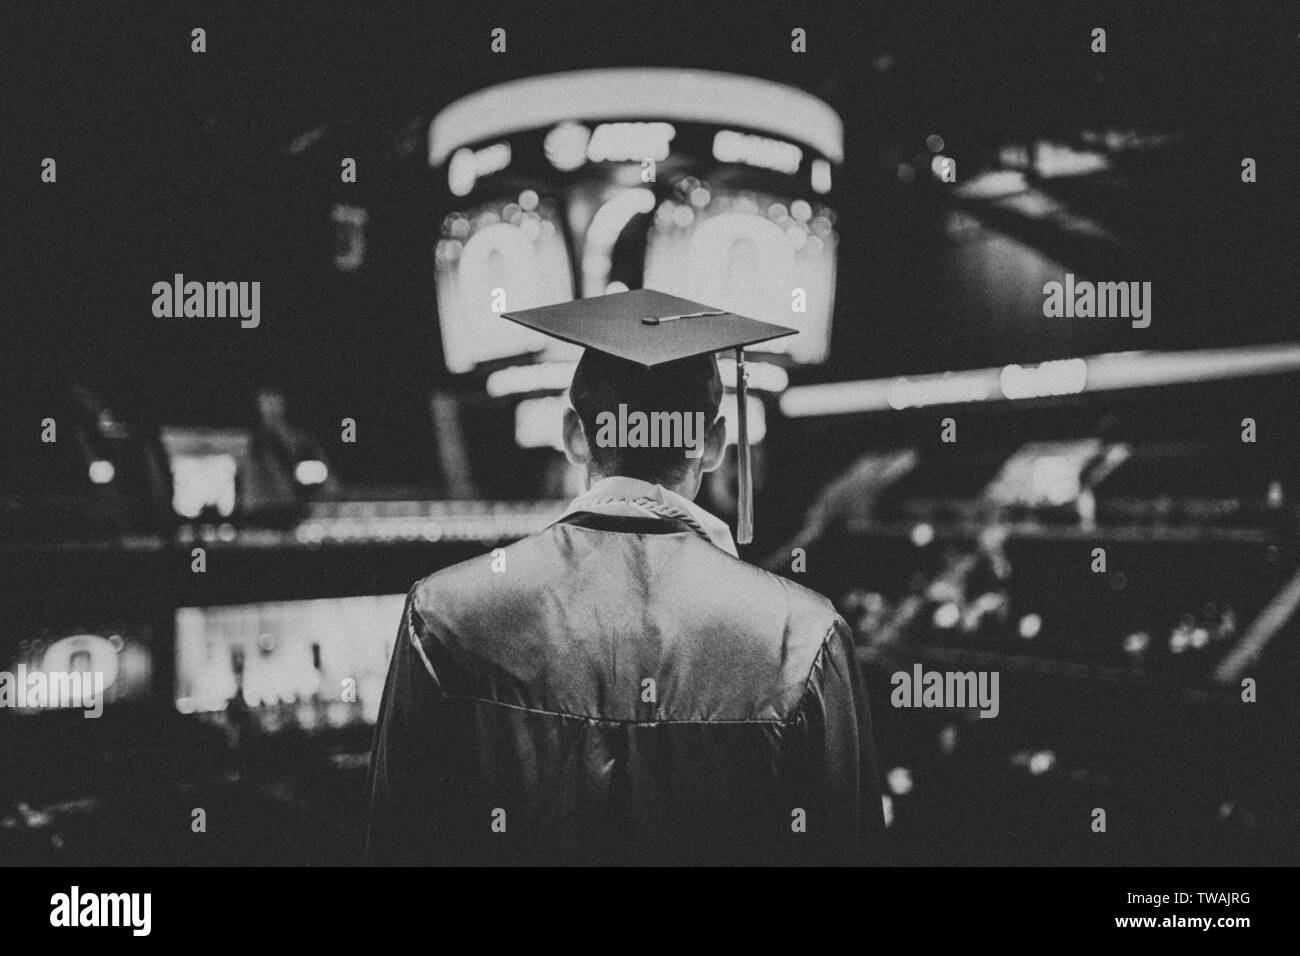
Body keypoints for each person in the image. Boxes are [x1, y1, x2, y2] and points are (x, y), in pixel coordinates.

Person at [366, 289, 883, 865]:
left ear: (574, 433)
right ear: (713, 442)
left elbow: (398, 842)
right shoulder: (803, 636)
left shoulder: (443, 618)